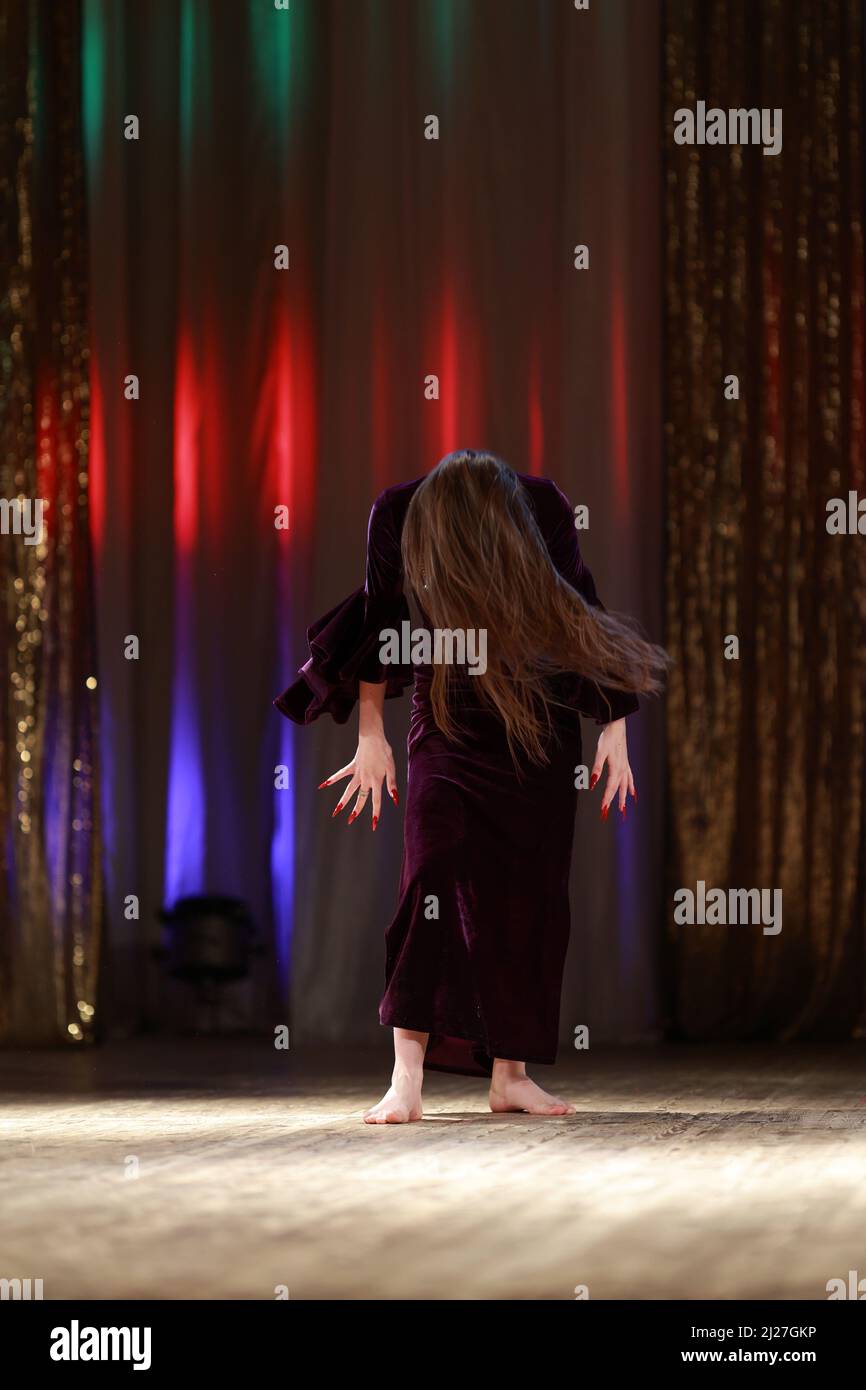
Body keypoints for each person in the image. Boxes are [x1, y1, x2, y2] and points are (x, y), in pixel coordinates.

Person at [275, 450, 667, 1122]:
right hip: (447, 717)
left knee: (529, 894)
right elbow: (379, 625)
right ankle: (405, 1078)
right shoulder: (398, 510)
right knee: (429, 875)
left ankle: (510, 1075)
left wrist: (615, 728)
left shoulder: (542, 505)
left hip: (537, 717)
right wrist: (371, 736)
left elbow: (581, 611)